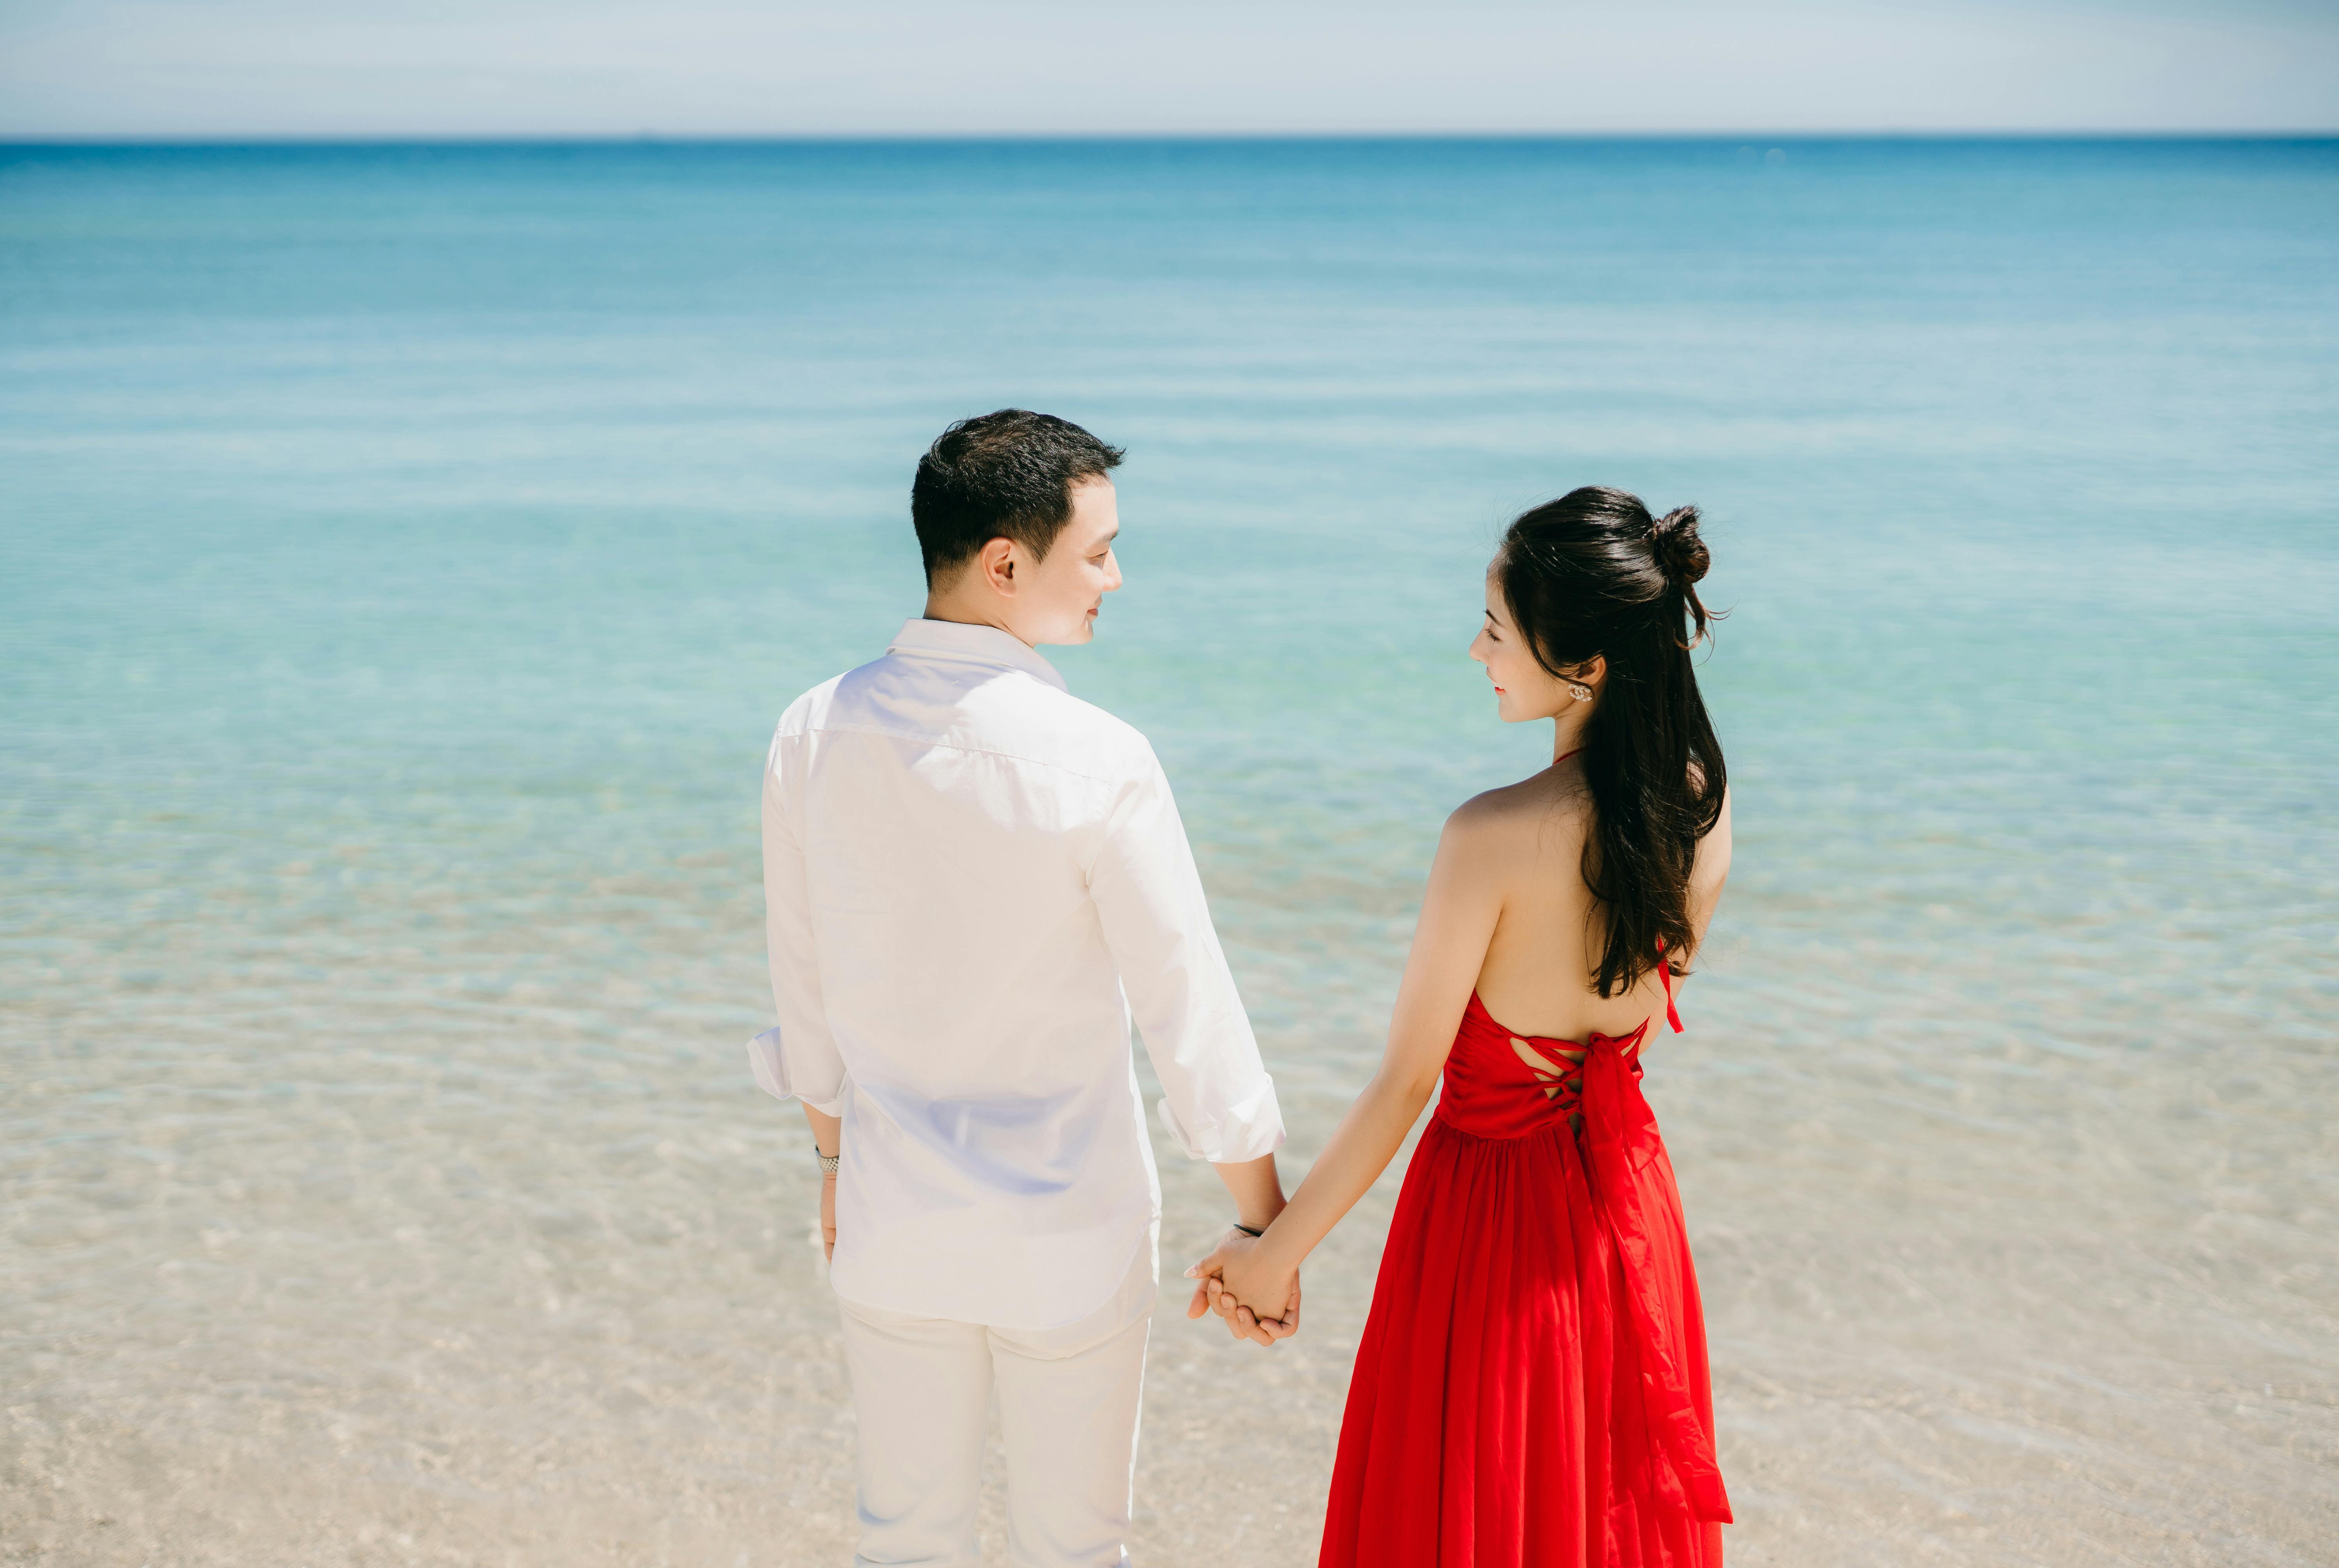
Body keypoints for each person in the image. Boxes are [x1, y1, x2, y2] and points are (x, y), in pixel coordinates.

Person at [748, 408, 1292, 1568]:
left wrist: (834, 1170)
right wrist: (1262, 1219)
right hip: (1070, 1231)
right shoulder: (1100, 757)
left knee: (902, 1541)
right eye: (1097, 552)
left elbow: (805, 992)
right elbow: (1185, 1006)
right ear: (1007, 563)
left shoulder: (811, 730)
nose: (1117, 576)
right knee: (1078, 1550)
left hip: (896, 1221)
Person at [1191, 486, 1736, 1566]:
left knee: (1472, 1511)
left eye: (1495, 629)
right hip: (1623, 1218)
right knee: (1597, 1509)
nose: (1474, 649)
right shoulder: (1703, 810)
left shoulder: (1490, 835)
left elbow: (1404, 1085)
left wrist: (1271, 1253)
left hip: (1488, 1225)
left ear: (1581, 662)